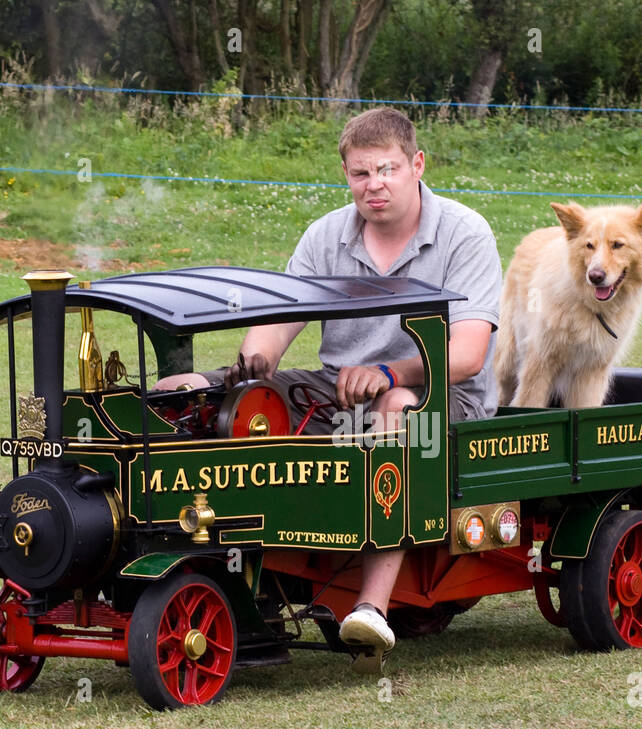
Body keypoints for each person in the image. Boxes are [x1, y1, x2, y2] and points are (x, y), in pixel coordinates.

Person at [157, 107, 501, 664]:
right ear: (346, 174)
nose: (375, 185)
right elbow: (275, 326)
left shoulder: (465, 232)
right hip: (336, 389)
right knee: (214, 398)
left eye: (386, 170)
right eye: (360, 174)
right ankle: (235, 585)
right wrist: (241, 371)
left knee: (394, 407)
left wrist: (389, 373)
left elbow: (465, 356)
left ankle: (371, 609)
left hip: (444, 396)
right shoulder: (325, 236)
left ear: (416, 164)